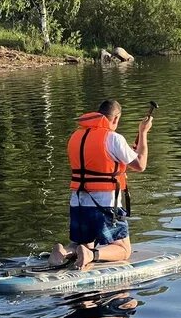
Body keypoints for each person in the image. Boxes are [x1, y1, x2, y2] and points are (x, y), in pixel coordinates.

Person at [49, 99, 152, 270]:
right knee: (123, 249)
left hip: (78, 202)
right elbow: (140, 164)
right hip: (104, 204)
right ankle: (91, 255)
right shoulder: (113, 138)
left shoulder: (76, 136)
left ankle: (64, 252)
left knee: (82, 243)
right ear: (116, 118)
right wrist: (143, 132)